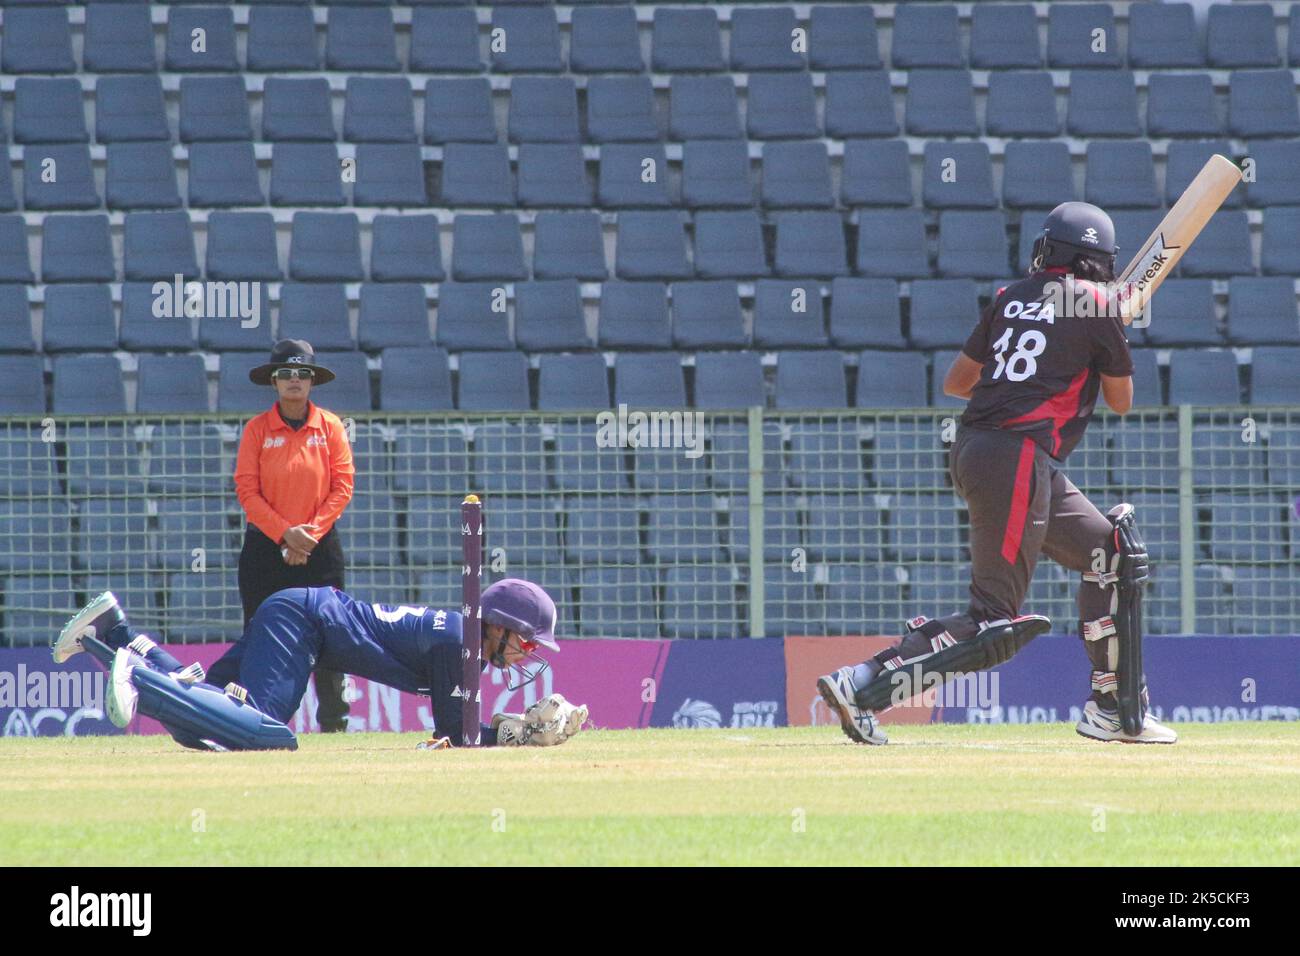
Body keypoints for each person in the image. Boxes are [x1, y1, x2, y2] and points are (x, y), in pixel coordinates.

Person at [817, 202, 1178, 746]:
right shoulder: (1098, 303)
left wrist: (1080, 332)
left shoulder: (1011, 297)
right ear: (1099, 261)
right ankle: (862, 683)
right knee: (993, 622)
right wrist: (1107, 328)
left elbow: (959, 382)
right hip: (1016, 456)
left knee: (1111, 555)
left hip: (985, 449)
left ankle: (1113, 706)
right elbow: (1121, 400)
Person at [51, 579, 588, 751]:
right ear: (495, 623)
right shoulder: (458, 645)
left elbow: (450, 737)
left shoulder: (461, 637)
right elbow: (457, 734)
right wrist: (519, 734)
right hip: (305, 621)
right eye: (526, 640)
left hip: (301, 612)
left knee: (203, 720)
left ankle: (116, 630)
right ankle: (133, 674)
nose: (528, 652)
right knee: (265, 733)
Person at [235, 339, 353, 732]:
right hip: (265, 550)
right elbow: (247, 492)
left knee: (331, 634)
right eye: (286, 373)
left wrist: (308, 536)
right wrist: (285, 534)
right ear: (273, 381)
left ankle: (335, 724)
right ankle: (253, 721)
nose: (294, 380)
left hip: (319, 549)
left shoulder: (331, 426)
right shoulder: (255, 430)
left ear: (313, 380)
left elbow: (343, 486)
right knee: (260, 633)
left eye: (303, 373)